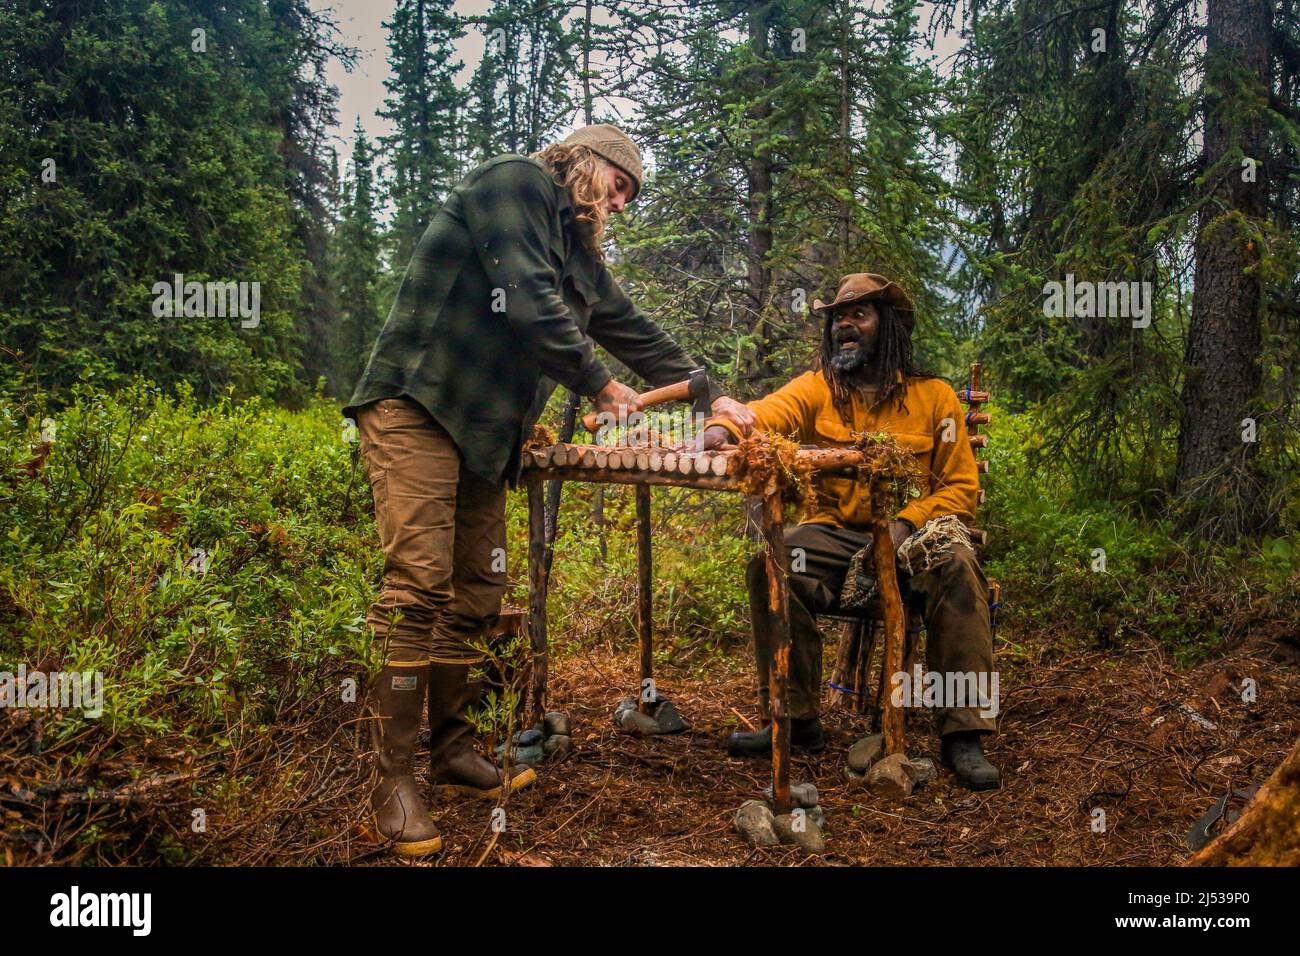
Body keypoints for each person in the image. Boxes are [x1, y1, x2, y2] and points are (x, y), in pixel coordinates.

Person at [344, 124, 755, 856]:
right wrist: (596, 382)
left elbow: (630, 327)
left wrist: (710, 395)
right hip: (417, 406)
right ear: (588, 165)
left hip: (485, 436)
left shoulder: (578, 255)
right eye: (621, 187)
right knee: (416, 592)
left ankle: (453, 753)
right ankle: (391, 781)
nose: (622, 206)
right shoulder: (514, 183)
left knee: (473, 595)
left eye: (630, 196)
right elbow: (526, 297)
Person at [699, 272, 1000, 791]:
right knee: (774, 562)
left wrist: (908, 524)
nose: (844, 325)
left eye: (858, 314)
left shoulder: (935, 398)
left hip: (920, 539)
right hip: (837, 538)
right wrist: (726, 427)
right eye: (838, 316)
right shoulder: (819, 388)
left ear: (889, 327)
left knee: (958, 566)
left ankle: (964, 734)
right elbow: (770, 412)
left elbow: (961, 489)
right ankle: (796, 719)